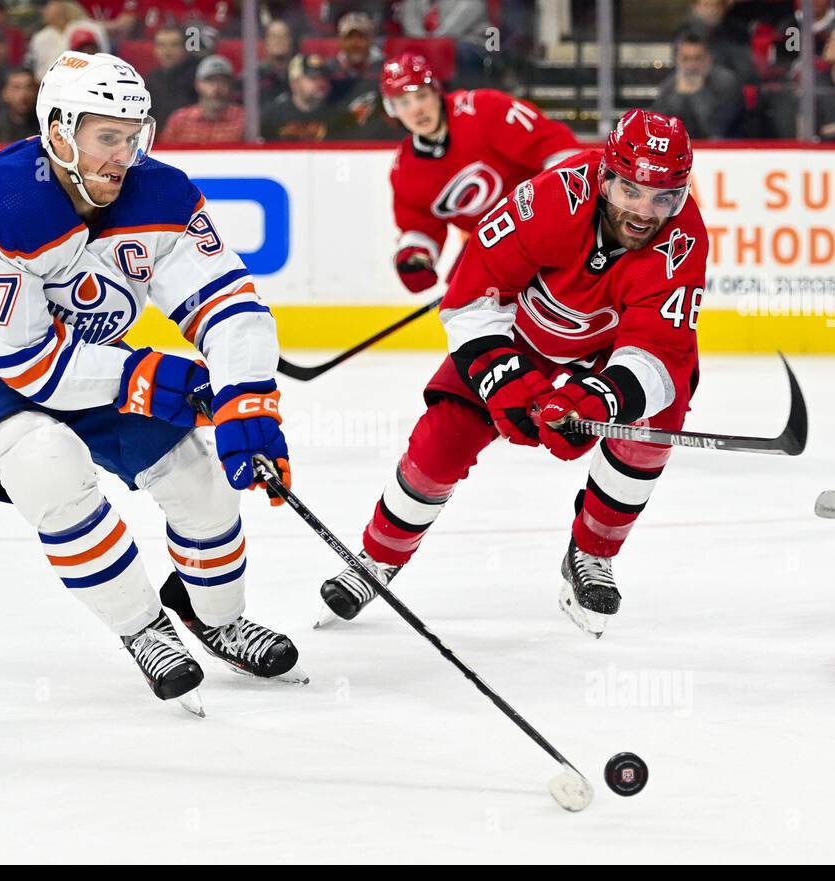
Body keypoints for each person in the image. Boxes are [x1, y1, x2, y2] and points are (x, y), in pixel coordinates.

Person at [0, 51, 301, 713]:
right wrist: (142, 373)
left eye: (134, 137)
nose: (124, 155)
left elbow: (231, 306)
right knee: (47, 460)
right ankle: (143, 626)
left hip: (73, 357)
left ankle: (214, 615)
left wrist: (248, 399)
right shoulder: (1, 203)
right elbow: (28, 366)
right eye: (108, 137)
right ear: (60, 132)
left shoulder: (162, 195)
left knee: (199, 479)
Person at [318, 109, 708, 640]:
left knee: (655, 420)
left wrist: (596, 401)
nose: (646, 213)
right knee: (440, 442)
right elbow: (472, 299)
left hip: (603, 355)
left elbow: (658, 349)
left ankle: (592, 554)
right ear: (605, 177)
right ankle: (377, 557)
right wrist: (508, 381)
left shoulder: (683, 240)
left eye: (664, 198)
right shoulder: (550, 199)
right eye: (632, 193)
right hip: (517, 339)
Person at [379, 53, 579, 296]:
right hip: (497, 245)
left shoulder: (483, 110)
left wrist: (560, 207)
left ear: (436, 92)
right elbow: (420, 225)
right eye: (403, 102)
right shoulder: (406, 170)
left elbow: (558, 150)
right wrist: (416, 257)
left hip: (547, 224)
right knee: (459, 290)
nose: (416, 109)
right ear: (392, 109)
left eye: (421, 96)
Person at [652, 30, 745, 140]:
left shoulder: (727, 83)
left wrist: (697, 92)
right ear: (677, 60)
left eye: (697, 58)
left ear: (709, 59)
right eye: (685, 59)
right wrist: (679, 95)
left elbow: (714, 131)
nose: (691, 65)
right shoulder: (669, 86)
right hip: (682, 149)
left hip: (725, 150)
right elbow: (659, 129)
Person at [159, 53, 245, 143]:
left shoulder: (244, 120)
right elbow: (163, 154)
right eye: (210, 80)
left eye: (223, 81)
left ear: (231, 85)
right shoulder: (179, 120)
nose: (217, 88)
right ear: (197, 84)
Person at [260, 51, 333, 141]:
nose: (321, 82)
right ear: (295, 83)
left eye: (324, 77)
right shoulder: (272, 117)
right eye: (313, 78)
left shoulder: (337, 115)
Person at [142, 24, 196, 130]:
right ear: (155, 50)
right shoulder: (149, 82)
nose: (167, 52)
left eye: (174, 45)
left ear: (185, 49)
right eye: (161, 45)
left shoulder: (197, 78)